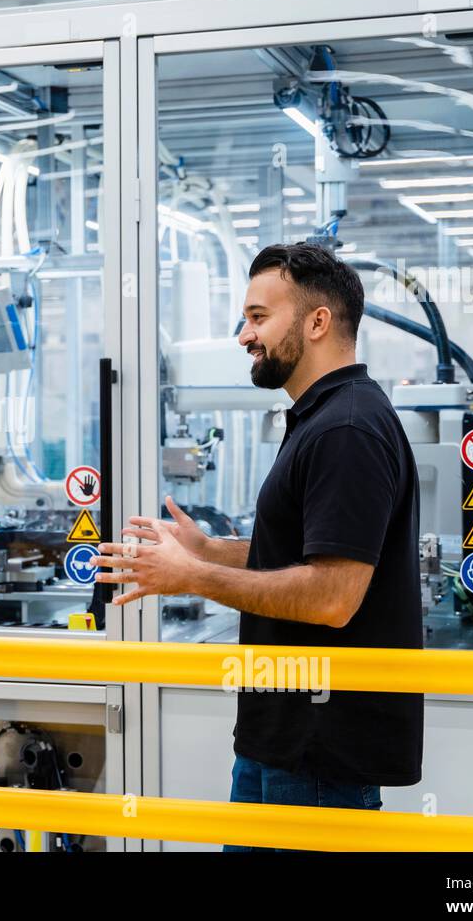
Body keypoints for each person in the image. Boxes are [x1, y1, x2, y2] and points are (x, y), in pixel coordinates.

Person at [91, 242, 422, 850]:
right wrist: (205, 550)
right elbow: (302, 552)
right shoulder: (321, 418)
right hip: (285, 736)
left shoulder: (347, 428)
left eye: (258, 317)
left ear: (317, 322)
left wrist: (189, 579)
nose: (245, 336)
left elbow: (331, 596)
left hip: (322, 751)